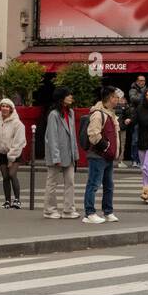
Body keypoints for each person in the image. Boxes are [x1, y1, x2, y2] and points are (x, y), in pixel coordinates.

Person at [82, 85, 121, 224]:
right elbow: (93, 134)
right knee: (93, 184)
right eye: (116, 97)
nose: (118, 99)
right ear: (110, 98)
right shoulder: (99, 114)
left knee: (108, 185)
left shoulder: (110, 113)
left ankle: (108, 211)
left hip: (107, 156)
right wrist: (106, 146)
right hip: (98, 155)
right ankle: (89, 213)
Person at [43, 89, 80, 218]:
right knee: (52, 183)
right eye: (68, 95)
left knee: (70, 182)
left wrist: (75, 154)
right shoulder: (54, 114)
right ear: (61, 98)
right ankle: (49, 210)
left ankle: (68, 210)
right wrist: (55, 156)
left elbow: (73, 135)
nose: (71, 97)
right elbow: (52, 137)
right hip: (57, 154)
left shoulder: (70, 113)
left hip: (69, 154)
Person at [0, 98, 26, 210]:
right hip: (2, 152)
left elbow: (19, 141)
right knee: (5, 177)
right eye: (3, 106)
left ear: (11, 109)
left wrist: (11, 157)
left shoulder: (17, 123)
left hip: (15, 152)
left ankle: (17, 200)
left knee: (12, 174)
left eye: (7, 106)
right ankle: (7, 200)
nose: (4, 108)